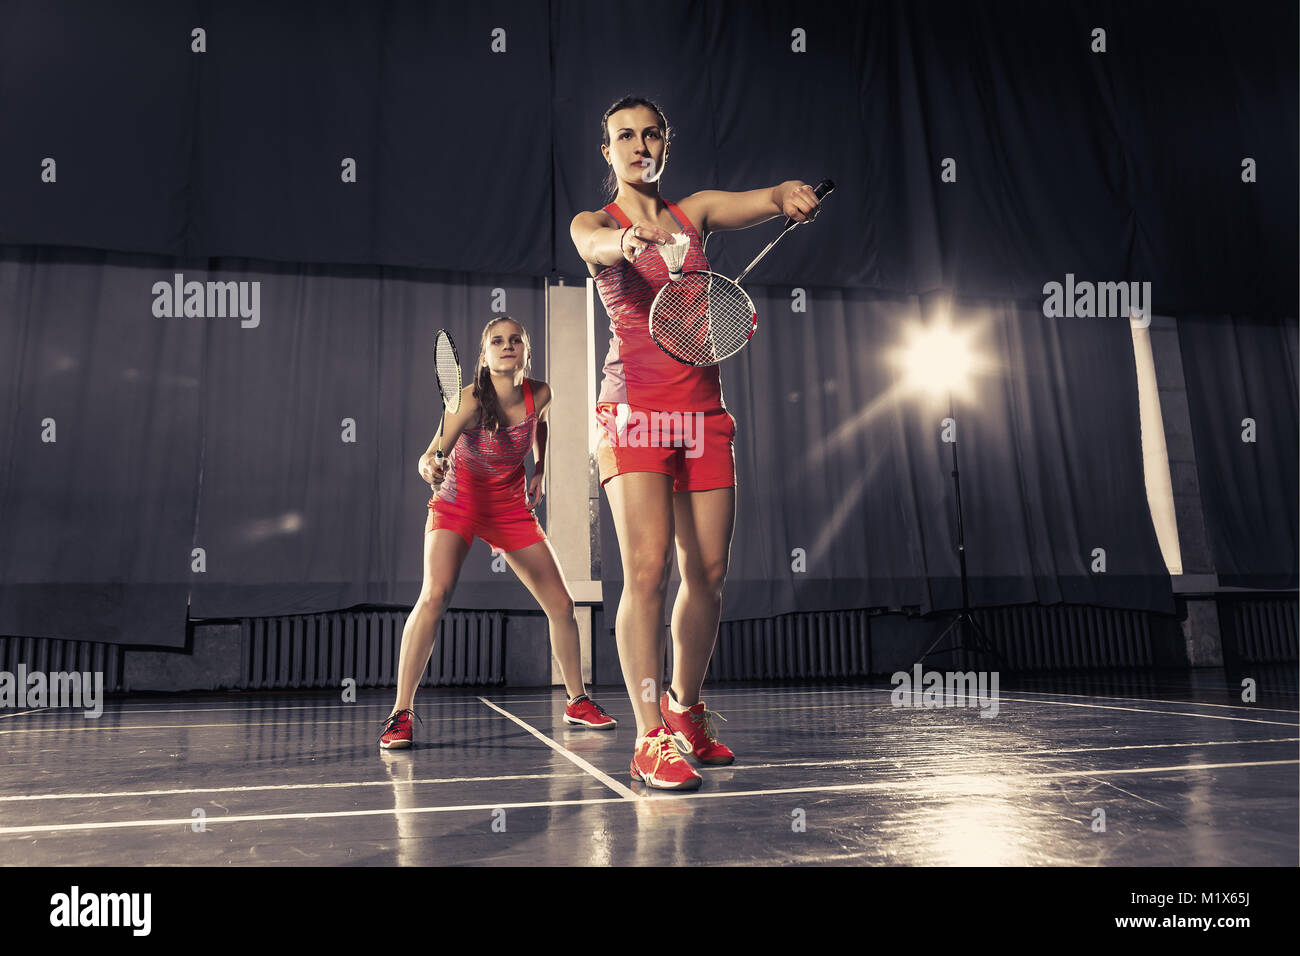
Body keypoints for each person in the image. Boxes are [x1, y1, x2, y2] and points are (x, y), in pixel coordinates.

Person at [569, 96, 821, 789]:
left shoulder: (695, 211)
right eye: (625, 136)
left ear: (665, 146)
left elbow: (763, 199)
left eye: (652, 134)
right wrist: (623, 246)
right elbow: (592, 245)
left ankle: (684, 710)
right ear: (608, 151)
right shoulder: (596, 223)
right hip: (634, 412)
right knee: (646, 572)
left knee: (708, 573)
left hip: (703, 412)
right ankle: (650, 736)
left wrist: (788, 195)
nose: (640, 144)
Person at [380, 316, 615, 748]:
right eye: (496, 341)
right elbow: (430, 455)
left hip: (509, 508)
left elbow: (539, 425)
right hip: (459, 503)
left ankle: (577, 700)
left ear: (526, 350)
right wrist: (430, 466)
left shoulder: (539, 393)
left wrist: (539, 471)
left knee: (562, 603)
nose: (507, 346)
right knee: (434, 595)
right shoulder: (467, 401)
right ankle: (400, 713)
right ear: (485, 357)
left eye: (515, 340)